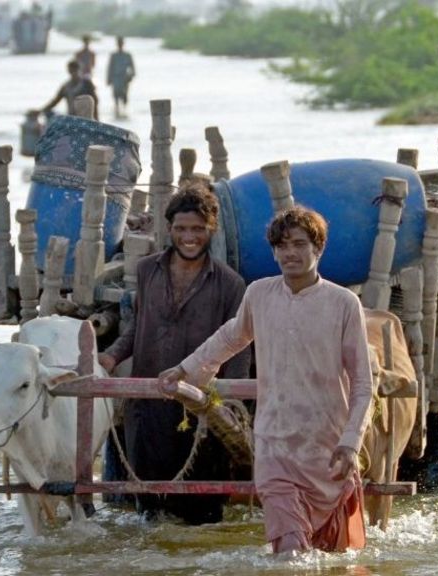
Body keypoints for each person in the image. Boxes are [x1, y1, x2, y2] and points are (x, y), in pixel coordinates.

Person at [159, 206, 373, 554]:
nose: (290, 253)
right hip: (273, 442)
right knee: (289, 548)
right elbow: (232, 336)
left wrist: (350, 443)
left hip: (326, 444)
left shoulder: (343, 303)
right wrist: (185, 369)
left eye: (300, 244)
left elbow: (363, 383)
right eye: (282, 245)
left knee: (329, 552)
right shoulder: (259, 294)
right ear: (273, 251)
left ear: (318, 248)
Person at [100, 183, 250, 524]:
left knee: (202, 516)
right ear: (169, 229)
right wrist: (110, 356)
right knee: (149, 515)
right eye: (181, 228)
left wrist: (232, 405)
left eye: (198, 229)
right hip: (149, 404)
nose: (189, 237)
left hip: (200, 412)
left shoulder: (231, 284)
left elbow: (238, 345)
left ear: (211, 230)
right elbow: (139, 326)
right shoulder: (147, 270)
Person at [106, 36, 135, 119]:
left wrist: (131, 76)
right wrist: (108, 79)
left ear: (123, 44)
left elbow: (132, 67)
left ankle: (124, 110)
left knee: (124, 95)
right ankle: (117, 110)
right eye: (118, 43)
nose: (120, 44)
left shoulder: (127, 55)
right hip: (116, 77)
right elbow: (110, 67)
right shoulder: (113, 55)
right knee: (115, 94)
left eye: (121, 43)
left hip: (124, 78)